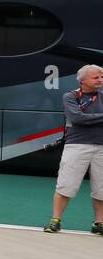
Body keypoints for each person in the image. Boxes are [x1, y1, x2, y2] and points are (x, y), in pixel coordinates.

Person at [45, 63, 103, 235]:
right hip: (77, 146)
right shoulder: (70, 96)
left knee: (101, 188)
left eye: (101, 77)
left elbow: (84, 118)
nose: (100, 80)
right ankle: (55, 220)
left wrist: (90, 118)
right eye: (96, 77)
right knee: (66, 184)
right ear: (83, 81)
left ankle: (99, 223)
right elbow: (77, 118)